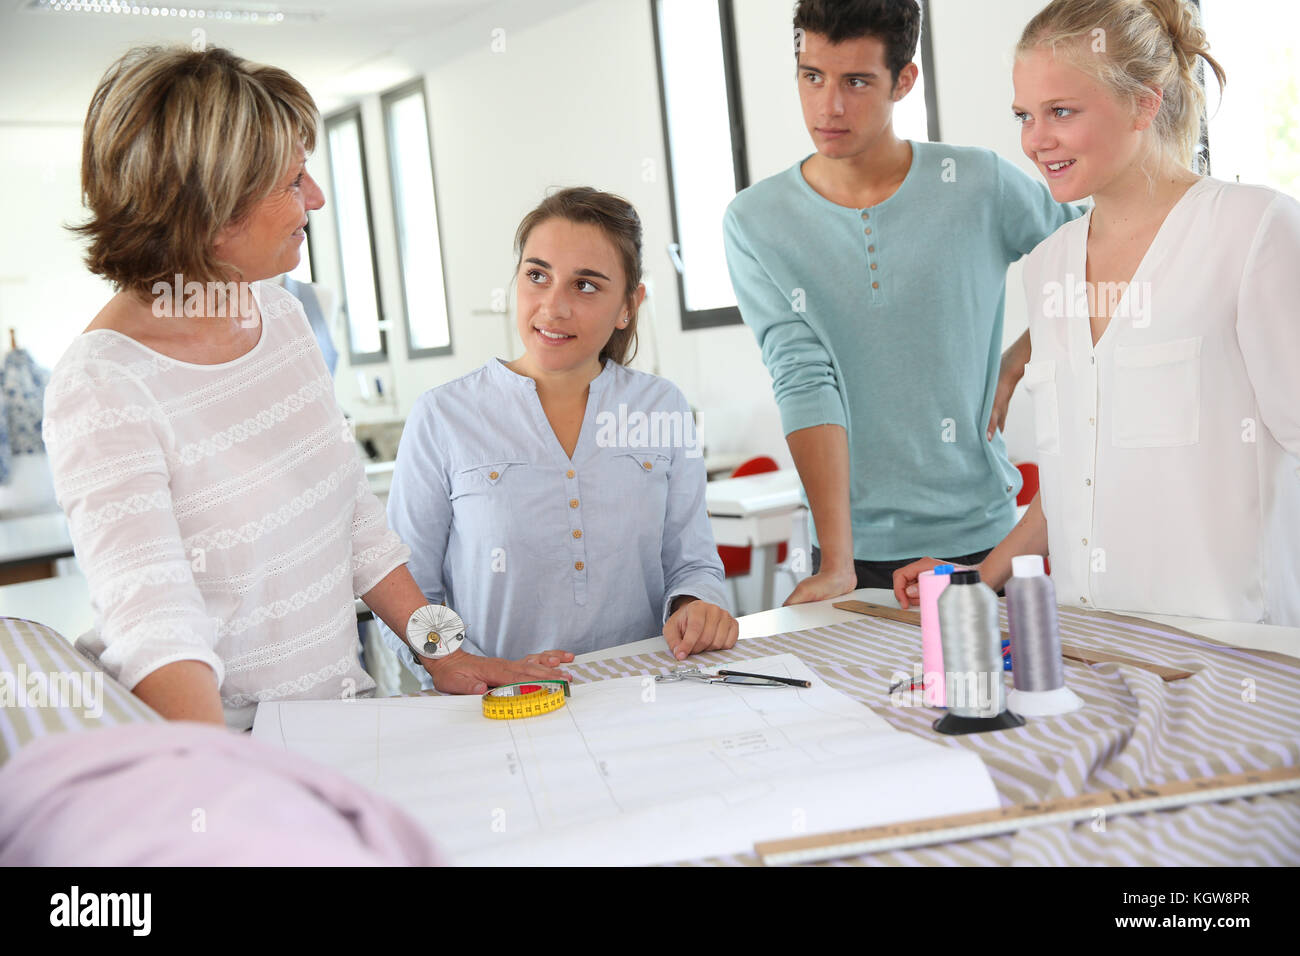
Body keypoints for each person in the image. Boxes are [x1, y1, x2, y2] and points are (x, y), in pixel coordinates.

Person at [44, 45, 572, 729]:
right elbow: (155, 626)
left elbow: (352, 518)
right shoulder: (103, 384)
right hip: (224, 748)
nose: (315, 198)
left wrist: (444, 650)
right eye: (294, 182)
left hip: (337, 725)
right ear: (212, 208)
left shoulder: (282, 316)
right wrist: (226, 788)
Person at [894, 0, 1300, 625]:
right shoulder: (1048, 265)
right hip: (1090, 653)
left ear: (1145, 102)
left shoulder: (1253, 231)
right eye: (1024, 116)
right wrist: (975, 579)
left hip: (1234, 657)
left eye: (1061, 112)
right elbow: (1069, 483)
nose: (1035, 140)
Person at [723, 0, 1083, 606]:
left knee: (1005, 700)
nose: (828, 106)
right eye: (812, 76)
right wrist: (837, 562)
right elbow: (802, 376)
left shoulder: (976, 183)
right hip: (847, 553)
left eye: (856, 81)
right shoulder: (755, 221)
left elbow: (1092, 255)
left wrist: (1021, 356)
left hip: (983, 539)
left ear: (904, 80)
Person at [377, 187, 737, 687]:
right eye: (537, 276)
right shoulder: (443, 416)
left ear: (628, 307)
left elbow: (692, 563)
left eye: (585, 286)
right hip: (494, 705)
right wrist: (451, 660)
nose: (553, 306)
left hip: (641, 693)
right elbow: (408, 593)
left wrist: (697, 605)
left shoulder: (662, 407)